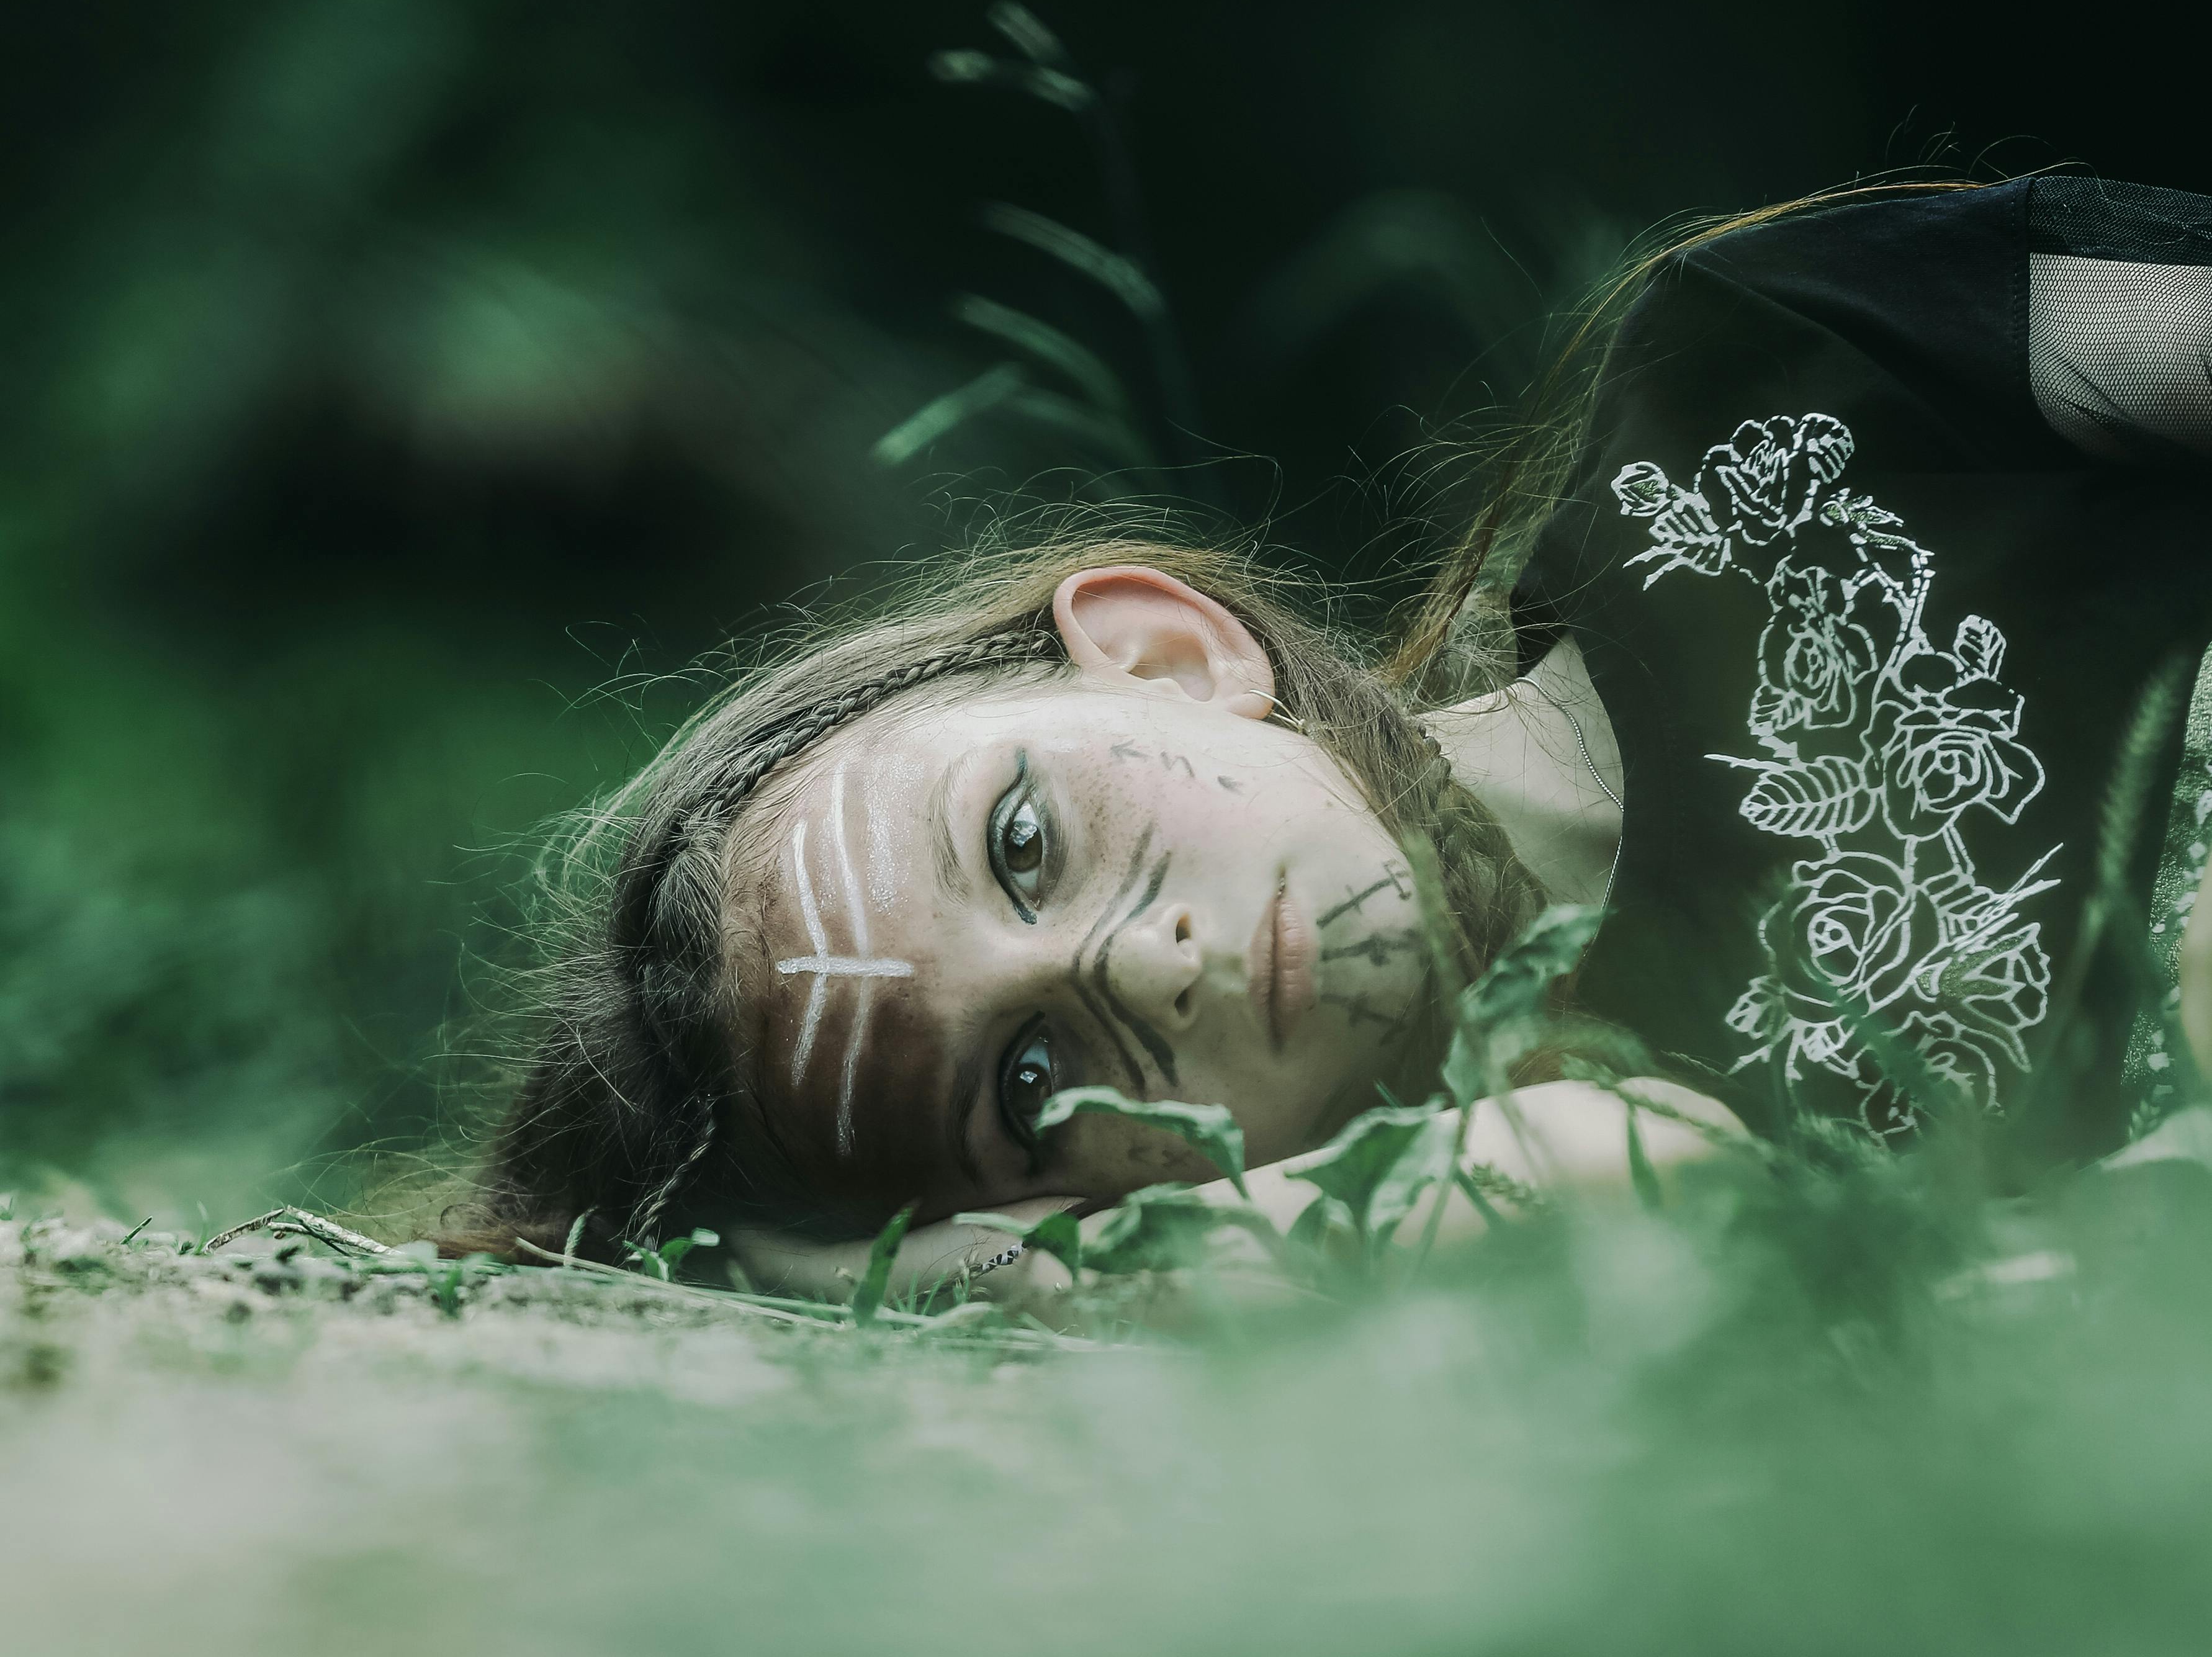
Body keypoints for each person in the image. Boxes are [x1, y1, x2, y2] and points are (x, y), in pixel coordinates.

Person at [474, 171, 2212, 1301]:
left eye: (1026, 842)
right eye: (1024, 1086)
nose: (1131, 967)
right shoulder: (1567, 1209)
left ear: (1161, 651)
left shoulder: (1740, 361)